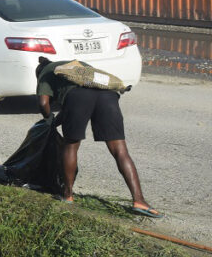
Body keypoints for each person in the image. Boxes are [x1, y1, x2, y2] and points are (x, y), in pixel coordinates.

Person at [35, 57, 163, 217]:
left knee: (71, 146)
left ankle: (67, 195)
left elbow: (43, 104)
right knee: (120, 151)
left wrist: (48, 120)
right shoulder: (78, 66)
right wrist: (57, 121)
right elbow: (79, 101)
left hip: (78, 98)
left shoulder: (45, 73)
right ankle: (139, 201)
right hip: (108, 96)